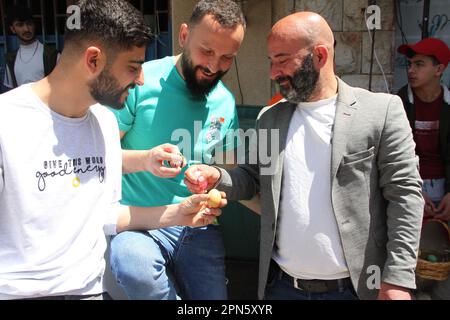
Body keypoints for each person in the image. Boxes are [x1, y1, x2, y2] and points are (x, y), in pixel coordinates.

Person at [185, 12, 425, 300]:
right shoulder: (269, 118)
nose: (274, 72)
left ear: (320, 56)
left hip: (356, 289)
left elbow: (405, 196)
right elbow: (251, 179)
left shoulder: (382, 111)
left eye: (283, 59)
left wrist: (397, 278)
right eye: (271, 61)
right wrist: (218, 177)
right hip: (282, 287)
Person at [0, 0, 224, 300]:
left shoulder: (104, 122)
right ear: (93, 60)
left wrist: (179, 212)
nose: (141, 79)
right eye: (134, 67)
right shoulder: (8, 121)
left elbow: (105, 215)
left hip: (90, 292)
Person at [108, 0, 245, 300]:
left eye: (227, 58)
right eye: (206, 51)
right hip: (138, 223)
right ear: (183, 36)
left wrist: (212, 178)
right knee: (134, 266)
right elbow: (100, 158)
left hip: (199, 226)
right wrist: (146, 160)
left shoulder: (225, 102)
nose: (213, 66)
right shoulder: (140, 81)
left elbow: (230, 173)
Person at [397, 38, 450, 300]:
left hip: (443, 188)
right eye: (410, 64)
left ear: (439, 69)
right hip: (408, 187)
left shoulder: (449, 105)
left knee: (441, 256)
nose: (411, 70)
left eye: (419, 64)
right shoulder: (396, 104)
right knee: (410, 255)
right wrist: (414, 190)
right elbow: (391, 156)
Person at [2, 4, 59, 92]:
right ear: (13, 29)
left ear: (34, 25)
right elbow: (11, 91)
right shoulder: (11, 59)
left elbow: (63, 86)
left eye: (29, 24)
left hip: (45, 105)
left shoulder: (52, 54)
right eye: (20, 25)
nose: (26, 29)